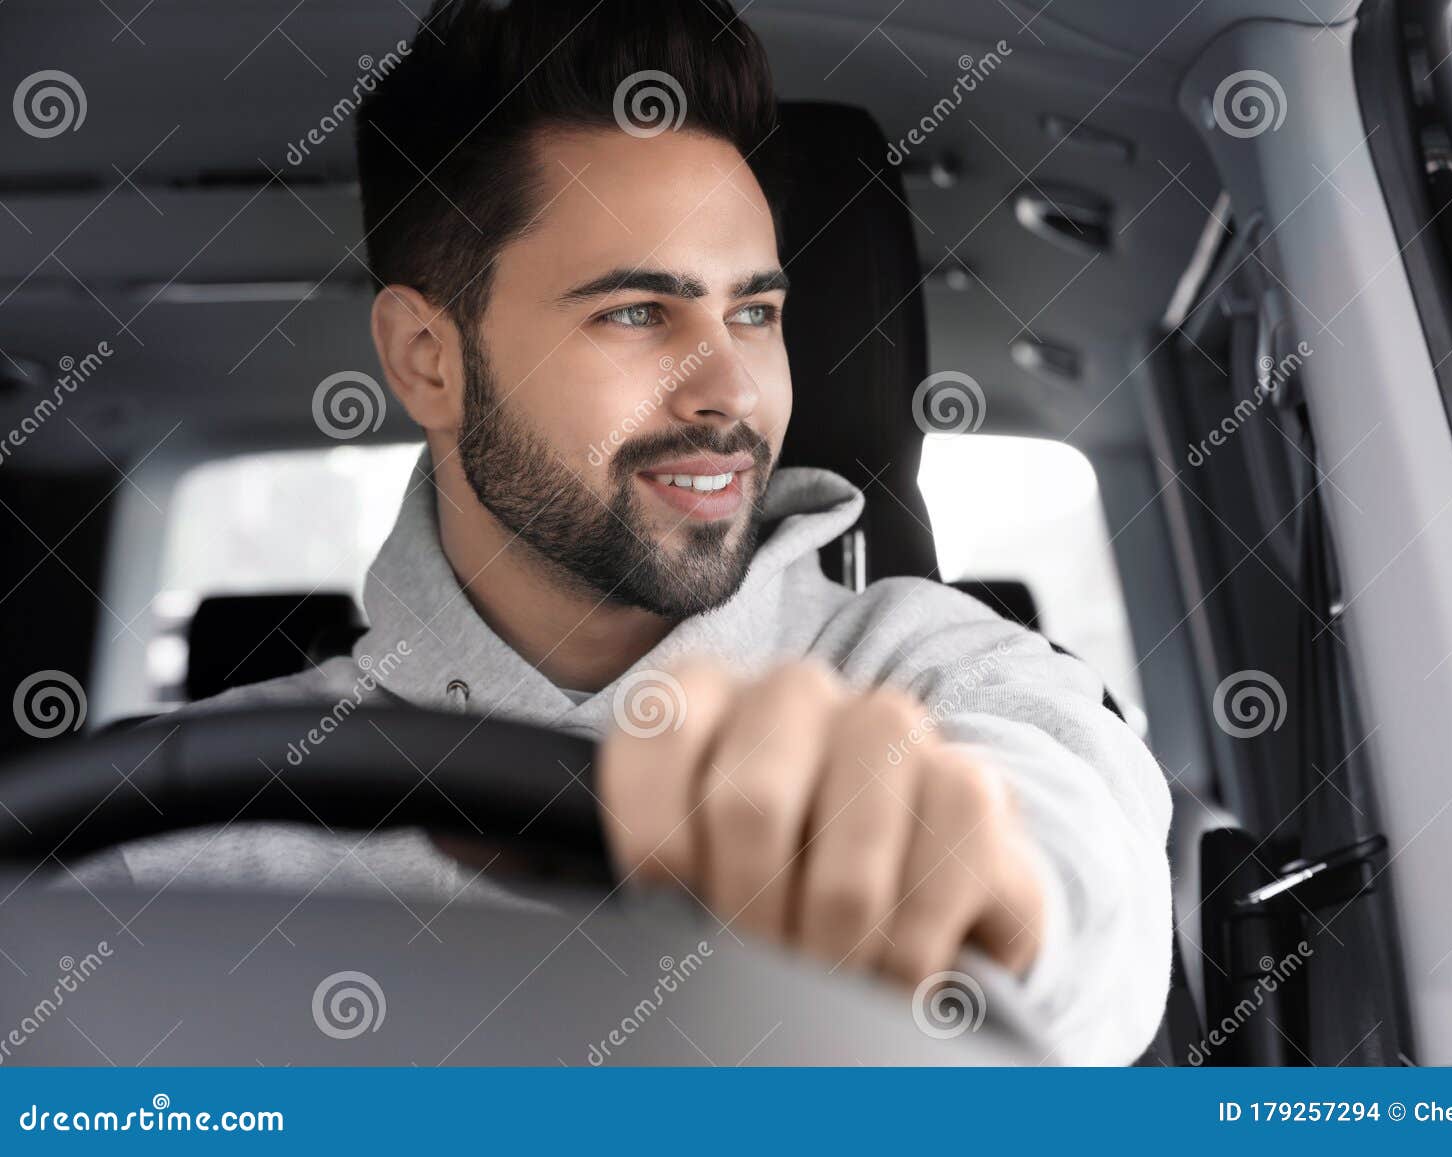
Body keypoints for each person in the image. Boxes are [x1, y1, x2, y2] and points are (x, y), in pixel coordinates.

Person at [66, 0, 1173, 1064]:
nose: (729, 391)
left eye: (754, 313)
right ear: (425, 359)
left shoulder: (935, 675)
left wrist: (956, 894)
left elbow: (1071, 878)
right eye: (637, 313)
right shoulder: (184, 839)